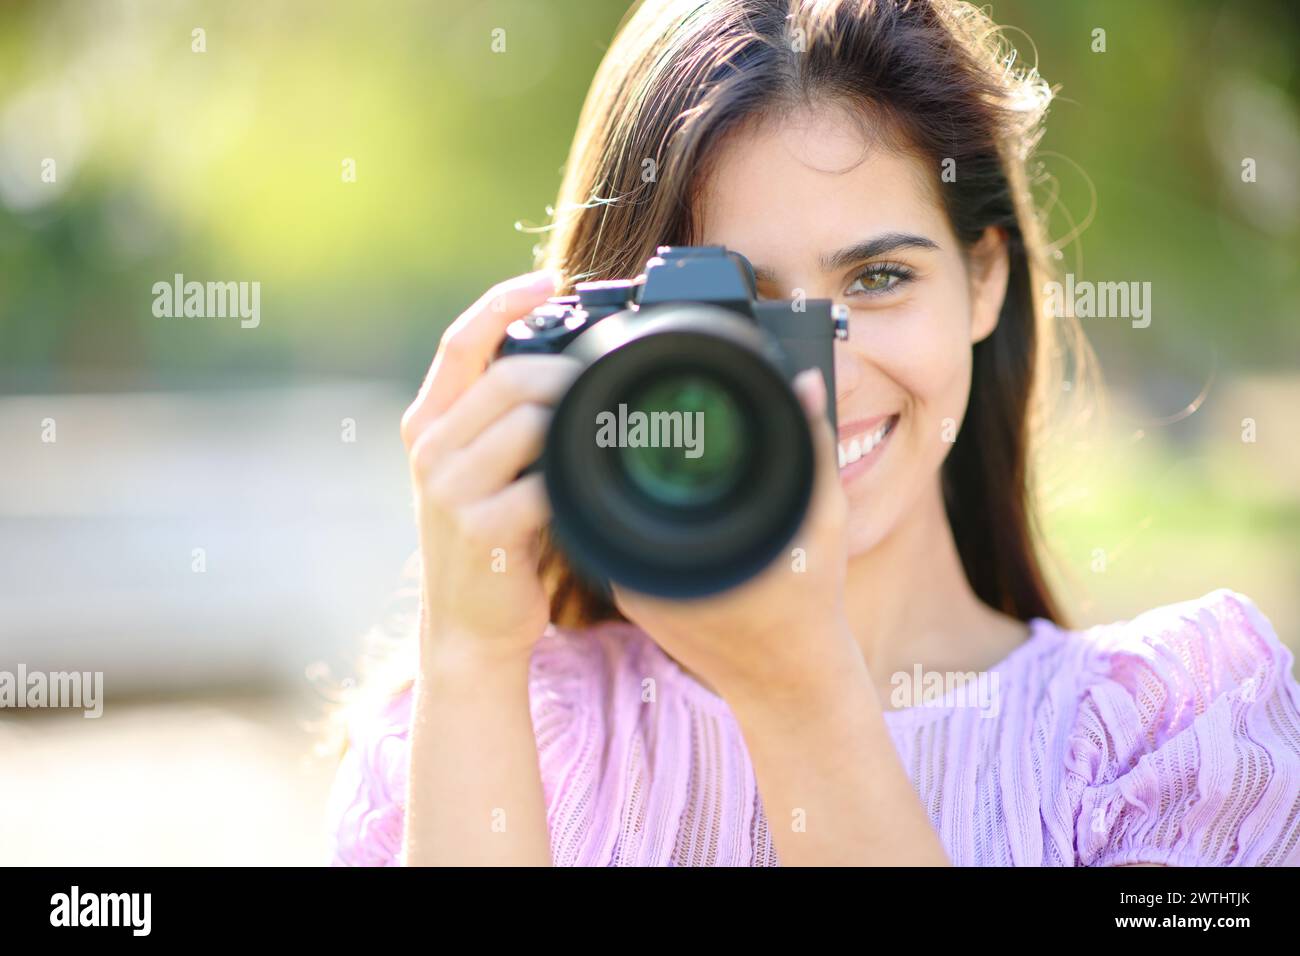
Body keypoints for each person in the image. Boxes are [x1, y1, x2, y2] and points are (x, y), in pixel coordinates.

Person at [325, 0, 1300, 866]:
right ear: (611, 350)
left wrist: (802, 699)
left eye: (877, 280)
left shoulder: (1170, 738)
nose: (814, 378)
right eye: (738, 310)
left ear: (985, 279)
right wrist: (467, 657)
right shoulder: (485, 729)